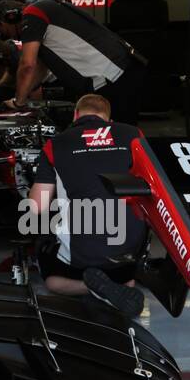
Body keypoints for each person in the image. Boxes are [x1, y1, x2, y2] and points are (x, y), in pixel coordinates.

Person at [26, 94, 147, 317]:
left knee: (50, 274)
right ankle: (121, 283)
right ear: (110, 121)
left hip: (84, 253)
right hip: (129, 250)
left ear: (75, 115)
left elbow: (37, 207)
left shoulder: (57, 144)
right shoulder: (134, 135)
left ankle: (88, 286)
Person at [0, 0, 146, 125]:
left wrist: (18, 103)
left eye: (4, 31)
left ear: (10, 17)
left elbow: (27, 65)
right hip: (122, 73)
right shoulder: (43, 9)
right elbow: (40, 69)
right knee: (118, 138)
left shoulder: (31, 14)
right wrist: (21, 95)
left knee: (115, 139)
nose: (11, 37)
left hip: (114, 76)